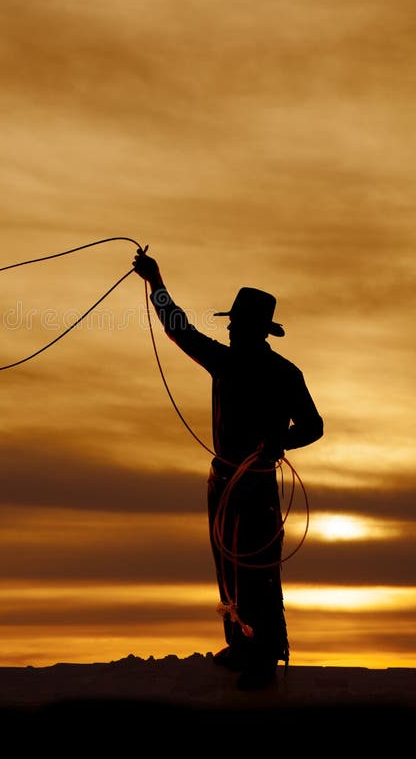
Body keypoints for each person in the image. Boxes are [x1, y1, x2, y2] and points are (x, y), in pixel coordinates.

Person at [133, 247, 323, 691]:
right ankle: (241, 643)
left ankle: (265, 654)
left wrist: (279, 443)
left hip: (255, 483)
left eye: (237, 324)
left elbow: (313, 426)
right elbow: (177, 327)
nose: (231, 328)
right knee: (228, 563)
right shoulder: (232, 362)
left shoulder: (277, 373)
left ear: (256, 330)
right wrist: (155, 282)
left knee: (257, 565)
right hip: (222, 478)